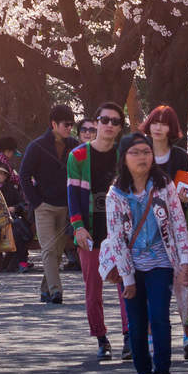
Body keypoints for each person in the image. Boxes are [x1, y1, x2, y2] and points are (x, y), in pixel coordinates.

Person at [101, 131, 188, 374]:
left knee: (160, 318)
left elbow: (178, 224)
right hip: (131, 266)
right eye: (135, 153)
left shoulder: (164, 186)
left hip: (161, 263)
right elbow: (116, 237)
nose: (142, 157)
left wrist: (184, 261)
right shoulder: (115, 193)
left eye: (146, 152)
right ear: (124, 158)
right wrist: (127, 276)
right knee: (137, 323)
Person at [69, 102, 135, 358]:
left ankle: (130, 335)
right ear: (95, 122)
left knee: (126, 283)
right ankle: (101, 337)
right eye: (105, 120)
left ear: (120, 128)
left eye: (115, 122)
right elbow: (72, 194)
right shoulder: (78, 156)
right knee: (93, 288)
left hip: (121, 230)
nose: (109, 125)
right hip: (90, 228)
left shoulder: (124, 154)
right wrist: (78, 227)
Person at [142, 105, 188, 356]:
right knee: (151, 288)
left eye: (164, 123)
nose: (158, 127)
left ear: (172, 128)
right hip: (145, 231)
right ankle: (152, 339)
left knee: (182, 285)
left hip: (176, 230)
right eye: (154, 121)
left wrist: (186, 197)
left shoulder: (181, 157)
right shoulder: (140, 152)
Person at [19, 105, 77, 306]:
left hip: (66, 206)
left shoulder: (74, 145)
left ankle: (45, 289)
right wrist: (36, 202)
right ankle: (55, 291)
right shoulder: (37, 146)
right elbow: (24, 175)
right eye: (66, 124)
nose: (70, 128)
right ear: (54, 124)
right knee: (48, 248)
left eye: (72, 124)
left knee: (56, 251)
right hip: (43, 206)